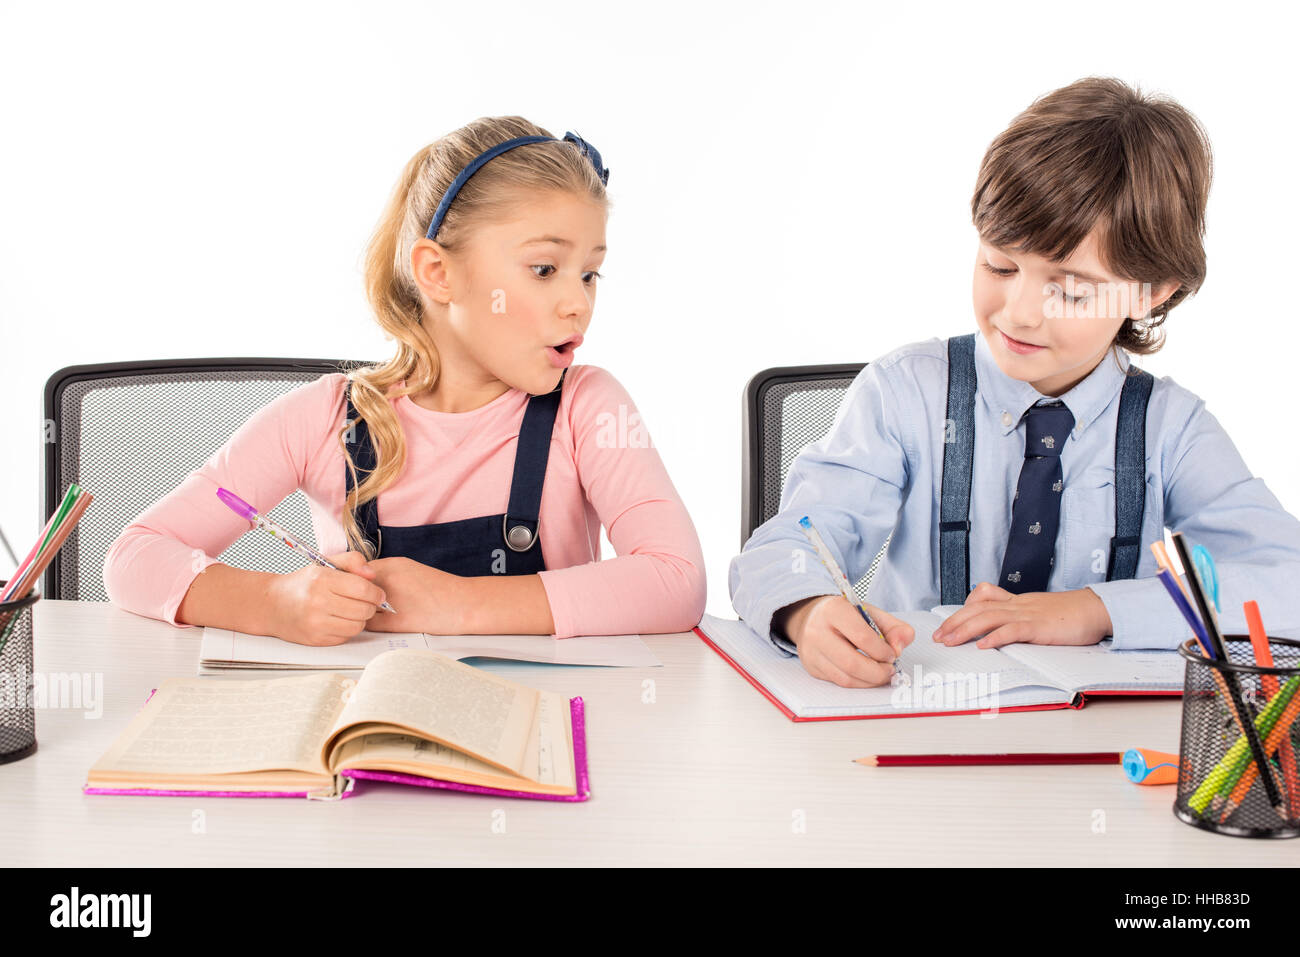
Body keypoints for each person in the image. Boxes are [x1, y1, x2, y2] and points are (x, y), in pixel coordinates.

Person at [730, 77, 1300, 688]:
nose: (1020, 311)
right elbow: (782, 549)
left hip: (1101, 747)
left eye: (1070, 289)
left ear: (1151, 292)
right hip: (914, 714)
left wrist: (1097, 610)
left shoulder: (1173, 429)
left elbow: (1286, 581)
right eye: (999, 265)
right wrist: (807, 612)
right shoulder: (905, 392)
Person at [105, 116, 706, 645]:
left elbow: (676, 580)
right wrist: (272, 604)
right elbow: (134, 557)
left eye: (590, 274)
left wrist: (464, 605)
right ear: (438, 273)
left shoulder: (589, 408)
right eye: (545, 269)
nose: (578, 303)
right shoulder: (320, 419)